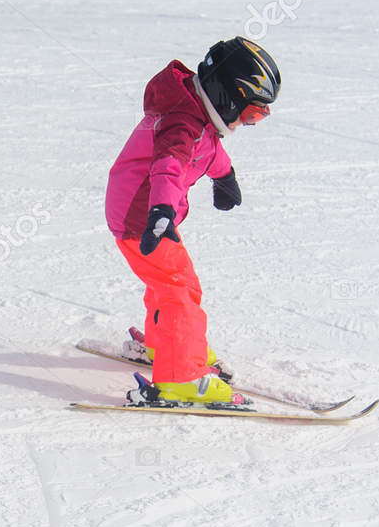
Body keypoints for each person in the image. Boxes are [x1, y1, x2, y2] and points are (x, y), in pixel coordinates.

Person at [104, 37, 280, 404]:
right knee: (181, 289)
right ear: (228, 96)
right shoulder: (182, 123)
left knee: (165, 281)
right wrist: (162, 211)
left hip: (139, 211)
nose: (247, 124)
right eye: (251, 115)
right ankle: (182, 374)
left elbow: (208, 149)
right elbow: (168, 166)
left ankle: (164, 345)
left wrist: (224, 176)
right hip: (144, 213)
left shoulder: (194, 113)